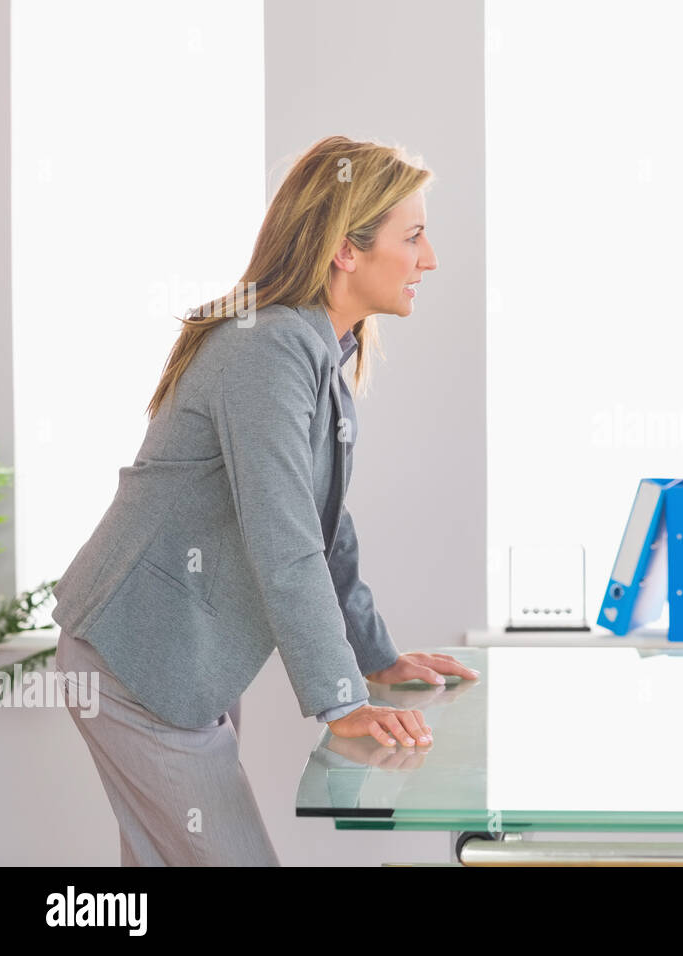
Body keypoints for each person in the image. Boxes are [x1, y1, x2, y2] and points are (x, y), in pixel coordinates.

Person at [51, 134, 477, 865]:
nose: (428, 259)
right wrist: (342, 701)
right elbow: (285, 539)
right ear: (347, 249)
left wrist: (373, 657)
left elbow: (323, 528)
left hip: (182, 659)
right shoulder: (268, 348)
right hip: (135, 659)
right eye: (412, 237)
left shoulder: (318, 353)